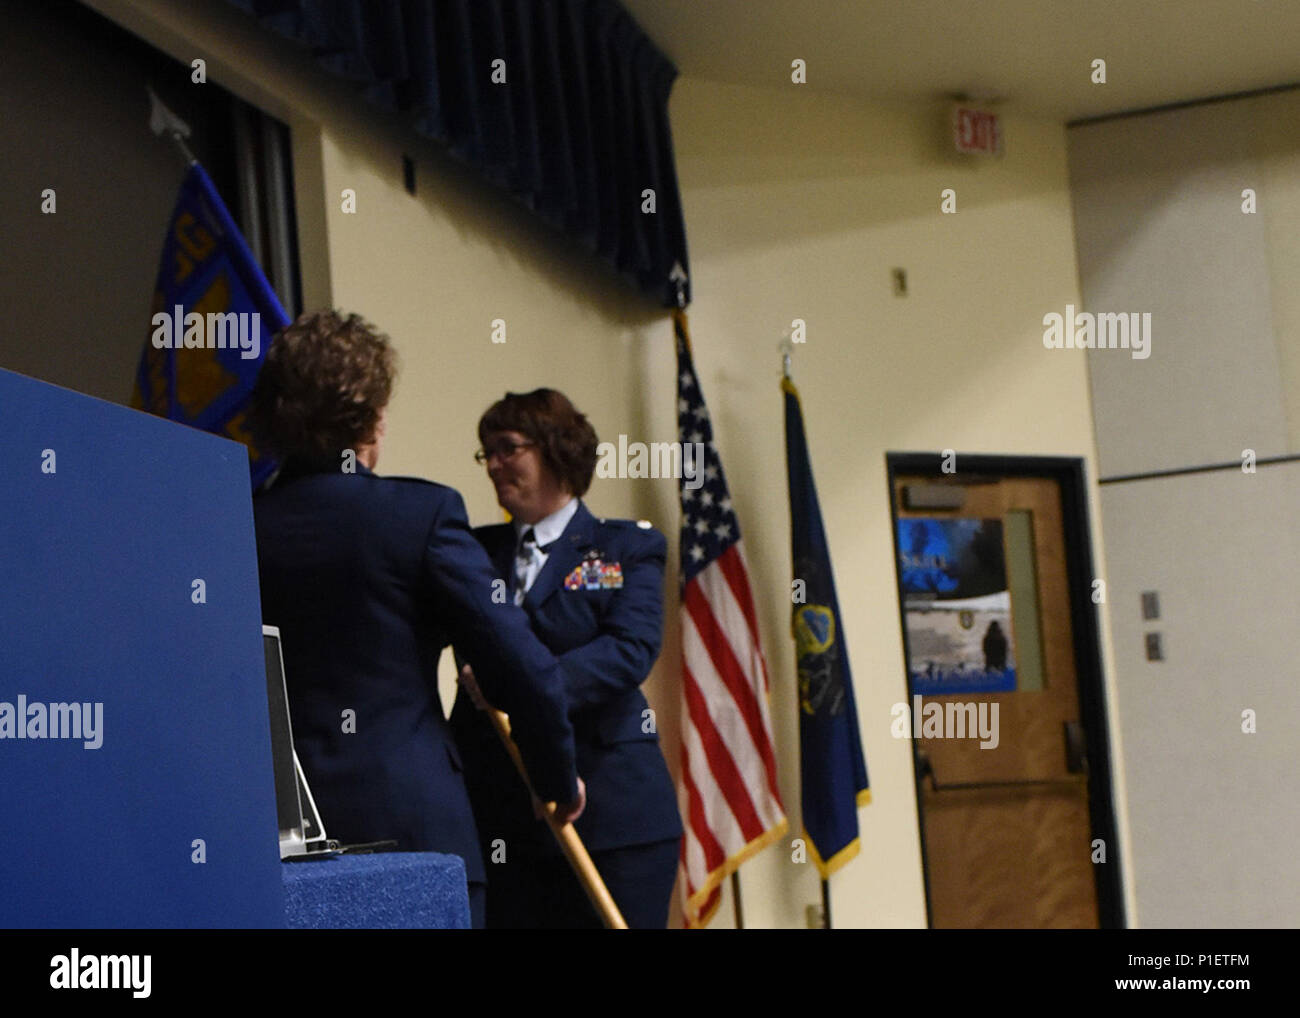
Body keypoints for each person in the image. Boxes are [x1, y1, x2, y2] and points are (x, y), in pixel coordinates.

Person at [249, 311, 584, 930]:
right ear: (371, 419)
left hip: (270, 842)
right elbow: (523, 666)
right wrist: (556, 779)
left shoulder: (236, 523)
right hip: (413, 838)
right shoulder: (420, 514)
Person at [450, 388, 683, 929]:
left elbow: (629, 650)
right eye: (487, 452)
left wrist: (523, 685)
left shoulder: (624, 547)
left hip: (614, 815)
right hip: (503, 815)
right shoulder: (472, 553)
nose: (495, 465)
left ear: (557, 448)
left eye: (508, 447)